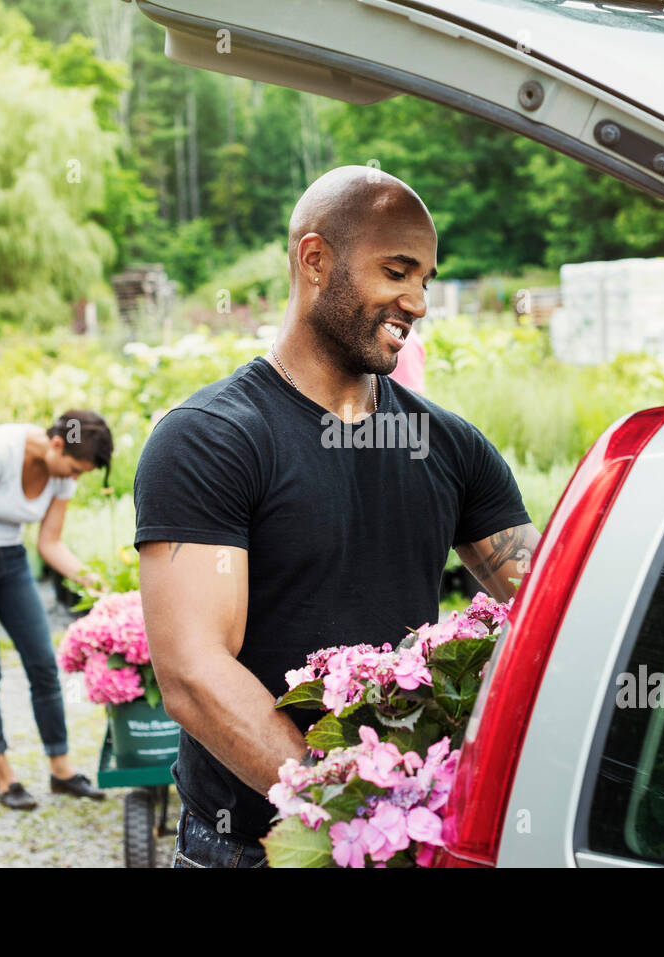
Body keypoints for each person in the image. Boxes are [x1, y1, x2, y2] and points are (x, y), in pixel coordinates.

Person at [133, 166, 542, 867]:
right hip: (252, 848)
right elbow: (195, 673)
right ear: (315, 260)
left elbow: (545, 600)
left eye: (426, 279)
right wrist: (351, 808)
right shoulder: (211, 437)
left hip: (396, 842)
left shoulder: (449, 445)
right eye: (397, 270)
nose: (417, 301)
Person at [0, 410, 113, 810]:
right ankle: (4, 778)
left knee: (44, 664)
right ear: (56, 444)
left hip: (11, 559)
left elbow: (50, 544)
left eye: (82, 473)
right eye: (74, 468)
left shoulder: (64, 473)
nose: (74, 479)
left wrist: (98, 585)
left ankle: (62, 770)